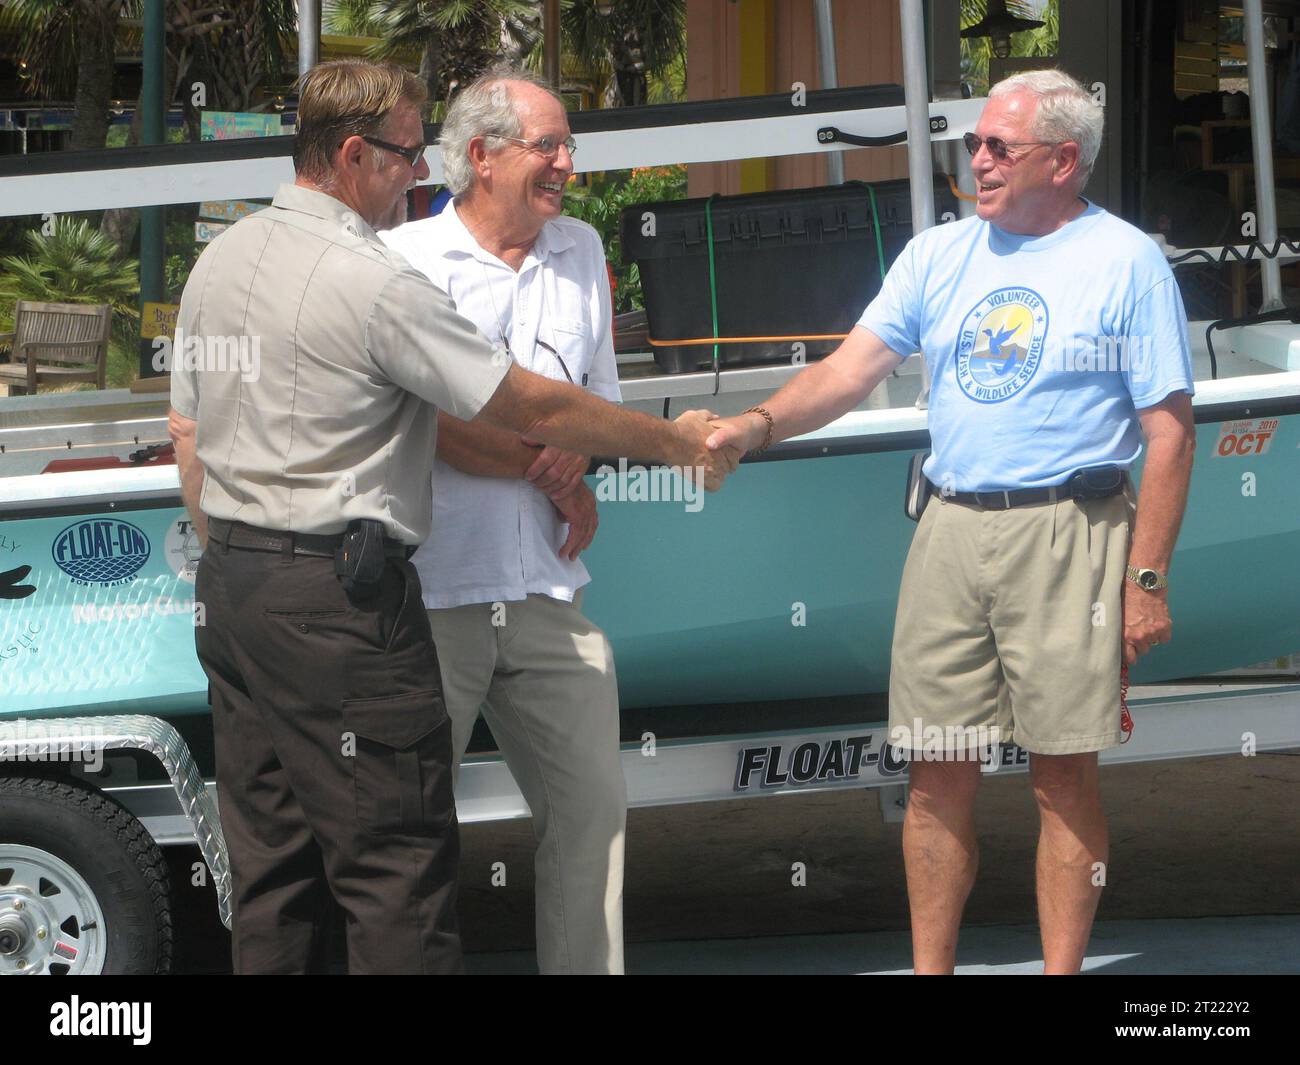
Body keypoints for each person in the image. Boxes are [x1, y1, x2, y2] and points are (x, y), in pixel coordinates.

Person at [167, 58, 734, 975]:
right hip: (353, 594)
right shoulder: (380, 274)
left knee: (276, 868)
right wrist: (676, 443)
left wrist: (232, 556)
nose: (417, 173)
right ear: (353, 154)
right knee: (395, 871)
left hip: (241, 584)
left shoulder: (224, 257)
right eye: (402, 154)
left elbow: (187, 428)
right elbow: (522, 406)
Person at [706, 69, 1196, 975]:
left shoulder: (1126, 261)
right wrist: (756, 424)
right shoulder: (938, 255)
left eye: (998, 146)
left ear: (1063, 160)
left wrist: (1146, 581)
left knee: (1061, 778)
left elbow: (1168, 434)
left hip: (1072, 533)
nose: (978, 159)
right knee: (933, 776)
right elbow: (848, 373)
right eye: (974, 142)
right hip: (950, 528)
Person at [380, 68, 625, 974]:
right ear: (481, 156)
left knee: (594, 815)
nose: (567, 163)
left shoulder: (582, 247)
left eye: (569, 145)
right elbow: (431, 422)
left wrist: (578, 460)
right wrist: (551, 471)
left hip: (546, 590)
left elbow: (598, 403)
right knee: (408, 840)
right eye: (549, 145)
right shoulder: (404, 261)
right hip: (433, 595)